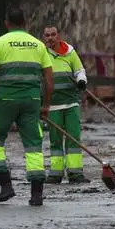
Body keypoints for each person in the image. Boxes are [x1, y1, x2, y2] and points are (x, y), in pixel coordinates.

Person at [0, 7, 53, 206]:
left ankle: (6, 186)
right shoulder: (38, 45)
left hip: (7, 101)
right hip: (32, 102)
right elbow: (49, 82)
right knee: (34, 145)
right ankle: (36, 194)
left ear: (6, 22)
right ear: (25, 22)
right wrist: (46, 106)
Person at [42, 26, 89, 184]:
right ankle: (56, 174)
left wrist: (81, 81)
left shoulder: (69, 52)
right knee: (55, 140)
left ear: (58, 36)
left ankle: (75, 174)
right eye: (47, 35)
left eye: (53, 35)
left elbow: (79, 69)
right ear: (44, 37)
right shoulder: (41, 54)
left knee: (74, 139)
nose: (51, 38)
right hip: (53, 105)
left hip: (71, 103)